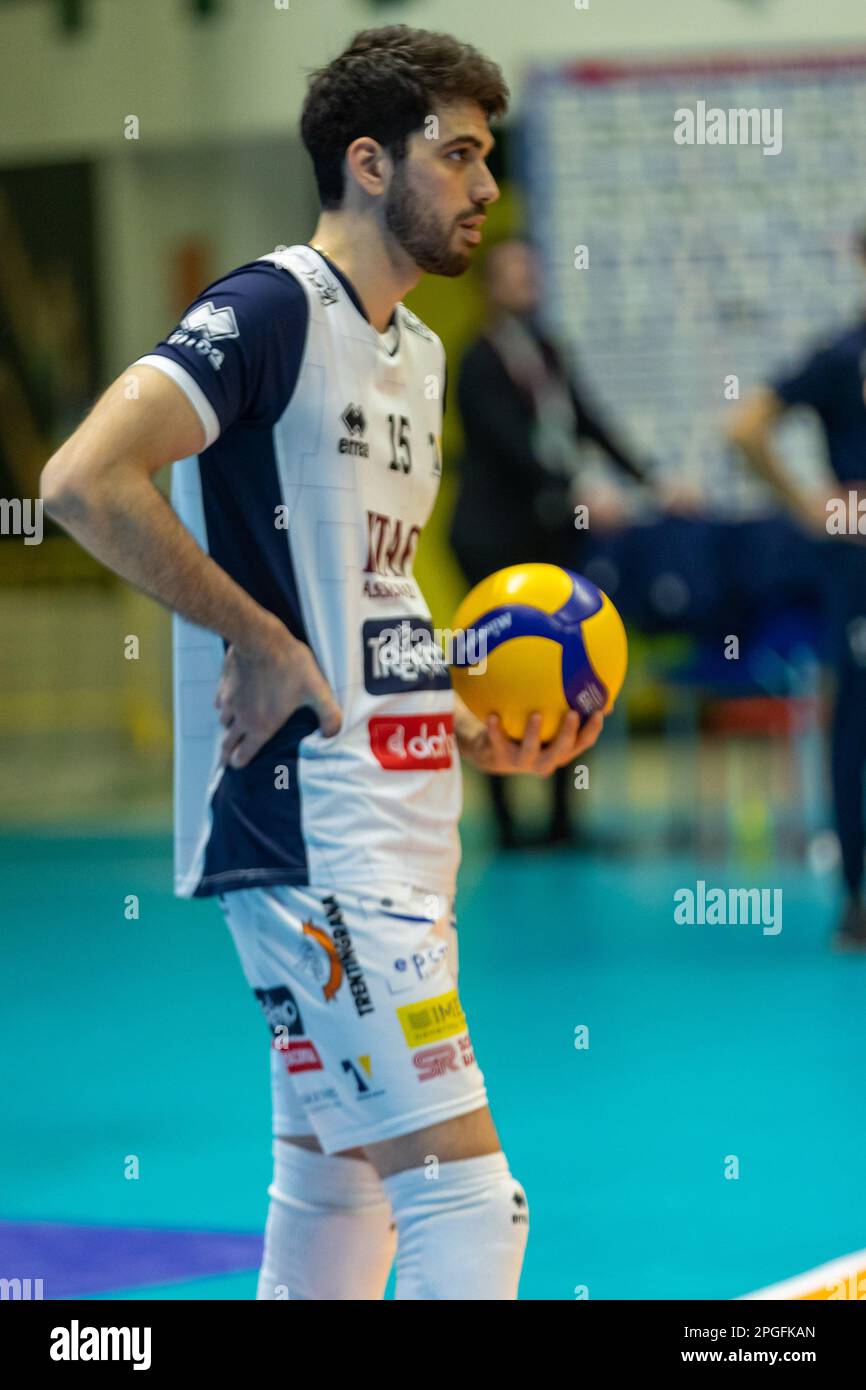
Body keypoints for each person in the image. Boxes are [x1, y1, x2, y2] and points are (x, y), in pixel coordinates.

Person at [40, 26, 605, 1301]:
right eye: (457, 155)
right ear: (367, 162)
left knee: (335, 1184)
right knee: (468, 1199)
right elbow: (80, 481)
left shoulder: (418, 352)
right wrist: (254, 634)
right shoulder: (269, 307)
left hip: (401, 818)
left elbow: (367, 604)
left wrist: (458, 714)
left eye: (486, 157)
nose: (484, 186)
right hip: (314, 836)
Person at [450, 239, 647, 848]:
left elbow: (587, 420)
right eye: (511, 276)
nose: (525, 285)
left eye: (531, 274)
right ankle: (508, 824)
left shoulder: (549, 350)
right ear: (489, 285)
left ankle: (563, 820)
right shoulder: (477, 359)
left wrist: (650, 479)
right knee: (492, 677)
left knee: (566, 674)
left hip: (549, 533)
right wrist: (574, 490)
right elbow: (511, 445)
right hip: (491, 537)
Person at [727, 230, 866, 952]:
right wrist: (815, 506)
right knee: (857, 722)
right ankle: (858, 894)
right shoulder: (843, 356)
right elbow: (746, 427)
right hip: (860, 567)